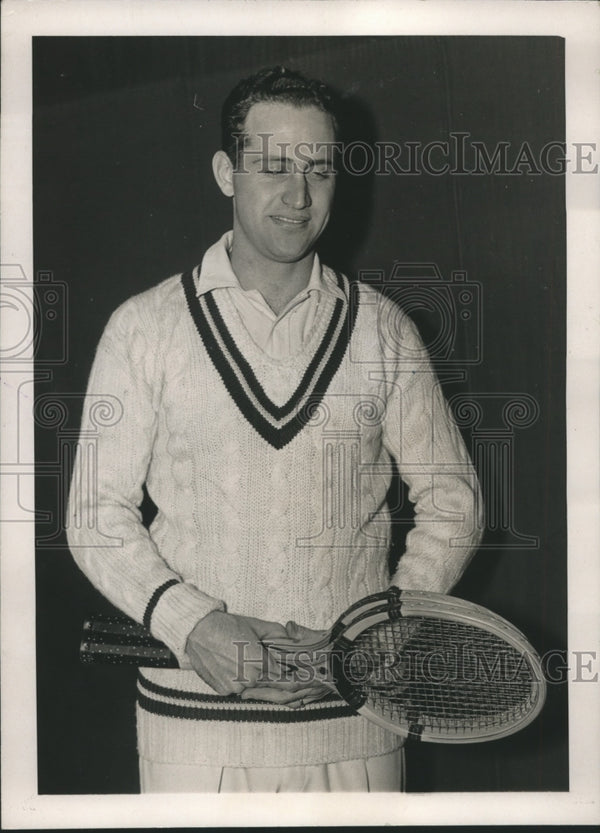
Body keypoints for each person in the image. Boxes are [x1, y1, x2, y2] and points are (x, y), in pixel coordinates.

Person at [66, 66, 483, 793]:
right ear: (227, 171)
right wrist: (194, 625)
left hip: (355, 725)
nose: (298, 194)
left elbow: (455, 503)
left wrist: (385, 623)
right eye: (274, 165)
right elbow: (94, 515)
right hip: (193, 732)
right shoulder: (143, 327)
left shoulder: (383, 329)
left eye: (318, 168)